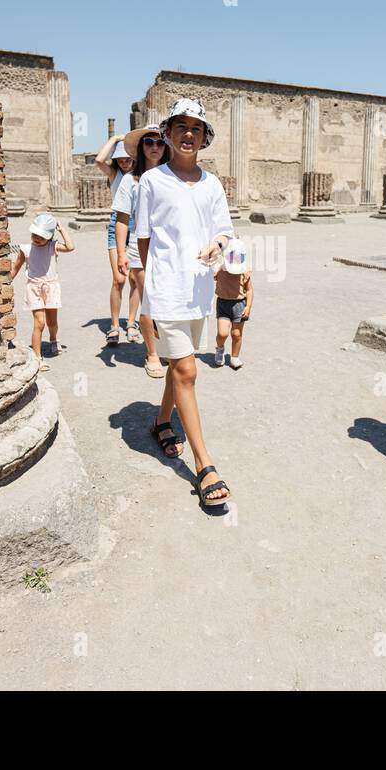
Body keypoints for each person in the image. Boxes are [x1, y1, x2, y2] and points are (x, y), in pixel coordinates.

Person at [134, 98, 234, 508]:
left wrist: (218, 244)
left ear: (204, 137)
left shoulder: (212, 185)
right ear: (168, 134)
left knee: (181, 366)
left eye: (196, 128)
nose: (188, 133)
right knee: (188, 371)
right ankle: (204, 464)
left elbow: (225, 230)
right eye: (181, 127)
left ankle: (161, 422)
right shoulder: (151, 182)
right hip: (168, 292)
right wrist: (157, 281)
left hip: (199, 291)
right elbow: (143, 241)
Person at [110, 124, 169, 377]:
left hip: (168, 248)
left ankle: (165, 344)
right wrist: (122, 253)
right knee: (150, 301)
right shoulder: (130, 179)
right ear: (141, 147)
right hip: (139, 246)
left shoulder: (172, 177)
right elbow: (122, 219)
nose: (154, 147)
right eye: (149, 142)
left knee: (167, 301)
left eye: (159, 142)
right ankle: (152, 353)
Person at [11, 212, 75, 372]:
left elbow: (70, 247)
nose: (37, 238)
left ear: (50, 236)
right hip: (34, 288)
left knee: (52, 323)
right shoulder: (25, 249)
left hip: (51, 288)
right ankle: (37, 358)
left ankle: (54, 339)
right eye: (34, 234)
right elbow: (16, 267)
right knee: (40, 323)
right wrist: (6, 282)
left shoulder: (52, 247)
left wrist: (62, 230)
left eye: (41, 235)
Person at [93, 134, 137, 345]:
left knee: (136, 279)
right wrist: (114, 139)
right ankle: (114, 326)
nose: (124, 163)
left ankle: (130, 322)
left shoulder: (142, 174)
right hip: (116, 225)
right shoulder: (114, 174)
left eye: (127, 158)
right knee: (119, 279)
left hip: (137, 226)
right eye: (120, 159)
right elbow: (99, 160)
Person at [213, 237, 252, 369]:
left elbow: (250, 290)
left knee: (236, 334)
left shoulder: (244, 272)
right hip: (223, 303)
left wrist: (248, 306)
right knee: (222, 333)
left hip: (239, 305)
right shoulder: (219, 269)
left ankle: (235, 357)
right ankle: (219, 349)